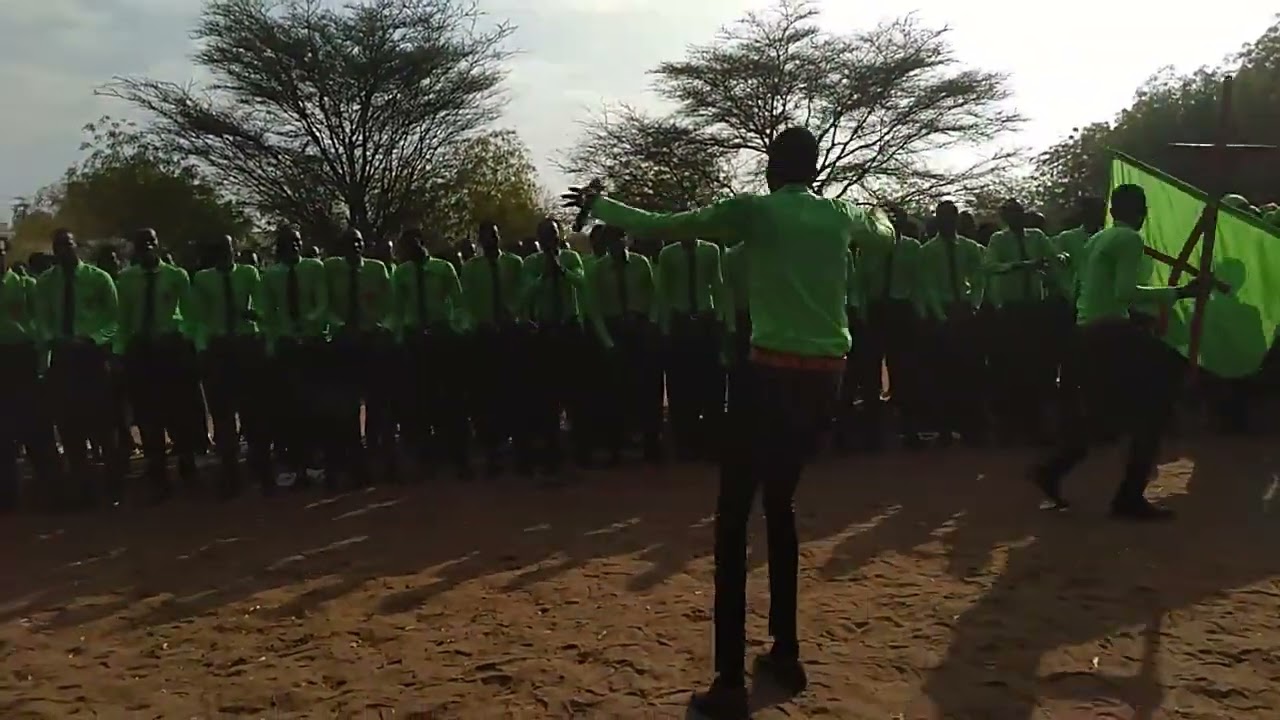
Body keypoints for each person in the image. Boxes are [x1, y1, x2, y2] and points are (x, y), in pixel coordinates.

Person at [564, 126, 895, 719]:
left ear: (772, 168)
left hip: (768, 377)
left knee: (731, 520)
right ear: (814, 169)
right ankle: (786, 653)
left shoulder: (756, 213)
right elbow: (885, 233)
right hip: (826, 378)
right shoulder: (842, 214)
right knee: (783, 508)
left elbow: (668, 226)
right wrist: (879, 214)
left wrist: (602, 205)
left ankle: (728, 680)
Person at [1031, 183, 1210, 521]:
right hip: (1109, 333)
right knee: (1154, 407)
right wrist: (1180, 292)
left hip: (1088, 332)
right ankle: (1127, 497)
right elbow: (1125, 291)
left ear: (1112, 211)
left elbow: (1090, 289)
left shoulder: (1097, 238)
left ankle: (1052, 469)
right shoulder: (1129, 239)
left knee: (1109, 416)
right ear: (1142, 212)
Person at [35, 228, 123, 509]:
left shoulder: (99, 278)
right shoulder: (46, 283)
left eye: (69, 245)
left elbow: (114, 320)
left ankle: (113, 488)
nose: (64, 251)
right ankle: (84, 491)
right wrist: (55, 339)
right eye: (58, 246)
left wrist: (92, 339)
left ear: (77, 247)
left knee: (103, 427)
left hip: (92, 358)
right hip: (62, 359)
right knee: (70, 429)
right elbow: (41, 319)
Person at [115, 228, 199, 503]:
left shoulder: (177, 276)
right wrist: (121, 352)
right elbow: (123, 321)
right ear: (135, 249)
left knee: (179, 414)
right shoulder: (126, 280)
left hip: (170, 350)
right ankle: (158, 476)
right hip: (141, 353)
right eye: (142, 244)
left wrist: (184, 339)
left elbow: (190, 313)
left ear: (158, 244)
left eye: (152, 241)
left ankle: (188, 467)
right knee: (148, 418)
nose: (148, 247)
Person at [190, 234, 273, 498]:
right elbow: (198, 317)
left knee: (254, 411)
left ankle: (260, 469)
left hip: (246, 345)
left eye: (229, 248)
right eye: (221, 249)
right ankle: (230, 474)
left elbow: (261, 304)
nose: (227, 253)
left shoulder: (248, 273)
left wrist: (256, 315)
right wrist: (203, 347)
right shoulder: (203, 279)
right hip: (219, 348)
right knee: (223, 415)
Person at [392, 227, 471, 479]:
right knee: (419, 401)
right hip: (415, 338)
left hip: (441, 335)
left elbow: (459, 303)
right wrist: (400, 336)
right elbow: (396, 307)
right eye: (405, 246)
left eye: (413, 243)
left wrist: (457, 330)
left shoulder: (443, 268)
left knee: (451, 399)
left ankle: (459, 457)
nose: (410, 249)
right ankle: (426, 459)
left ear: (422, 243)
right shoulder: (401, 273)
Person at [519, 218, 592, 476]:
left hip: (570, 328)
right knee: (546, 395)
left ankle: (580, 449)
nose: (550, 239)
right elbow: (525, 294)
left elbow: (582, 284)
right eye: (545, 235)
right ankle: (551, 451)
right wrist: (543, 276)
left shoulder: (572, 258)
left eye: (553, 233)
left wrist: (562, 271)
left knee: (576, 393)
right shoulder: (530, 263)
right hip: (546, 330)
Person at [259, 227, 330, 489]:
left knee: (313, 406)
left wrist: (307, 323)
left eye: (298, 242)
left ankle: (314, 464)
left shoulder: (314, 268)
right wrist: (282, 332)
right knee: (286, 408)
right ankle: (291, 463)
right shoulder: (270, 275)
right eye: (289, 243)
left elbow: (321, 302)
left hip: (311, 342)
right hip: (286, 344)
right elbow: (267, 311)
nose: (295, 247)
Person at [851, 206, 925, 451]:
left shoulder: (913, 247)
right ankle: (872, 433)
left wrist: (919, 313)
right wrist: (861, 313)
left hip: (901, 309)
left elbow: (918, 283)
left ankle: (909, 429)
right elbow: (859, 284)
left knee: (905, 370)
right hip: (875, 310)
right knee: (870, 373)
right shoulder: (870, 250)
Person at [985, 199, 1059, 444]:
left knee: (1038, 365)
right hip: (1012, 309)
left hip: (1035, 308)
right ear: (1004, 217)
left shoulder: (1036, 236)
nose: (1016, 217)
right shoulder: (998, 239)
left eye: (1019, 212)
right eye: (1010, 213)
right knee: (1012, 365)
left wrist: (1060, 259)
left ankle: (1036, 423)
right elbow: (992, 266)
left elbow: (1052, 255)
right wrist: (1022, 266)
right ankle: (1012, 424)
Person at [586, 225, 660, 465]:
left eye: (620, 238)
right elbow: (594, 308)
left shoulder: (641, 264)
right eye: (612, 240)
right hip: (613, 330)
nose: (617, 244)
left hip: (639, 329)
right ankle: (615, 447)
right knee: (613, 391)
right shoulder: (597, 270)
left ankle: (651, 444)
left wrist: (650, 324)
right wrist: (606, 341)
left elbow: (653, 296)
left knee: (647, 388)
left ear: (627, 239)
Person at [325, 228, 394, 486]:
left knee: (379, 404)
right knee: (348, 407)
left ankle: (380, 460)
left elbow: (390, 302)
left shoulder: (377, 270)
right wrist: (339, 326)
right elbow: (327, 304)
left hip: (372, 341)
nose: (355, 247)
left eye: (359, 243)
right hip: (345, 343)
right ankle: (354, 462)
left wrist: (381, 326)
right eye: (350, 243)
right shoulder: (331, 272)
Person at [918, 201, 989, 446]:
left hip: (965, 309)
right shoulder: (927, 250)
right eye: (943, 216)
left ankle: (970, 426)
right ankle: (945, 428)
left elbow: (979, 277)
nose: (947, 221)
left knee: (970, 371)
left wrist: (974, 304)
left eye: (951, 216)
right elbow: (927, 285)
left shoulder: (970, 248)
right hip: (943, 311)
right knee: (942, 372)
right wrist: (940, 315)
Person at [459, 222, 526, 475]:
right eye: (486, 237)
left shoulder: (514, 263)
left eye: (495, 236)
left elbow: (521, 294)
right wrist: (476, 324)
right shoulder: (471, 268)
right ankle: (491, 449)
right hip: (483, 336)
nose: (491, 241)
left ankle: (517, 448)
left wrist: (512, 315)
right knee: (484, 395)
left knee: (513, 391)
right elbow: (466, 300)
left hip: (509, 334)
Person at [654, 231, 725, 461]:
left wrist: (721, 321)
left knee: (711, 384)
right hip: (680, 320)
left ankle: (711, 443)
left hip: (706, 318)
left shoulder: (710, 250)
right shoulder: (668, 254)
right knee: (681, 385)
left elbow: (718, 284)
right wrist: (664, 329)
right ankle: (685, 442)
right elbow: (663, 291)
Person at [0, 236, 57, 511]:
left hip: (23, 359)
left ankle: (51, 492)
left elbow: (43, 327)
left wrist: (41, 365)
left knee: (37, 430)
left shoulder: (26, 285)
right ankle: (7, 497)